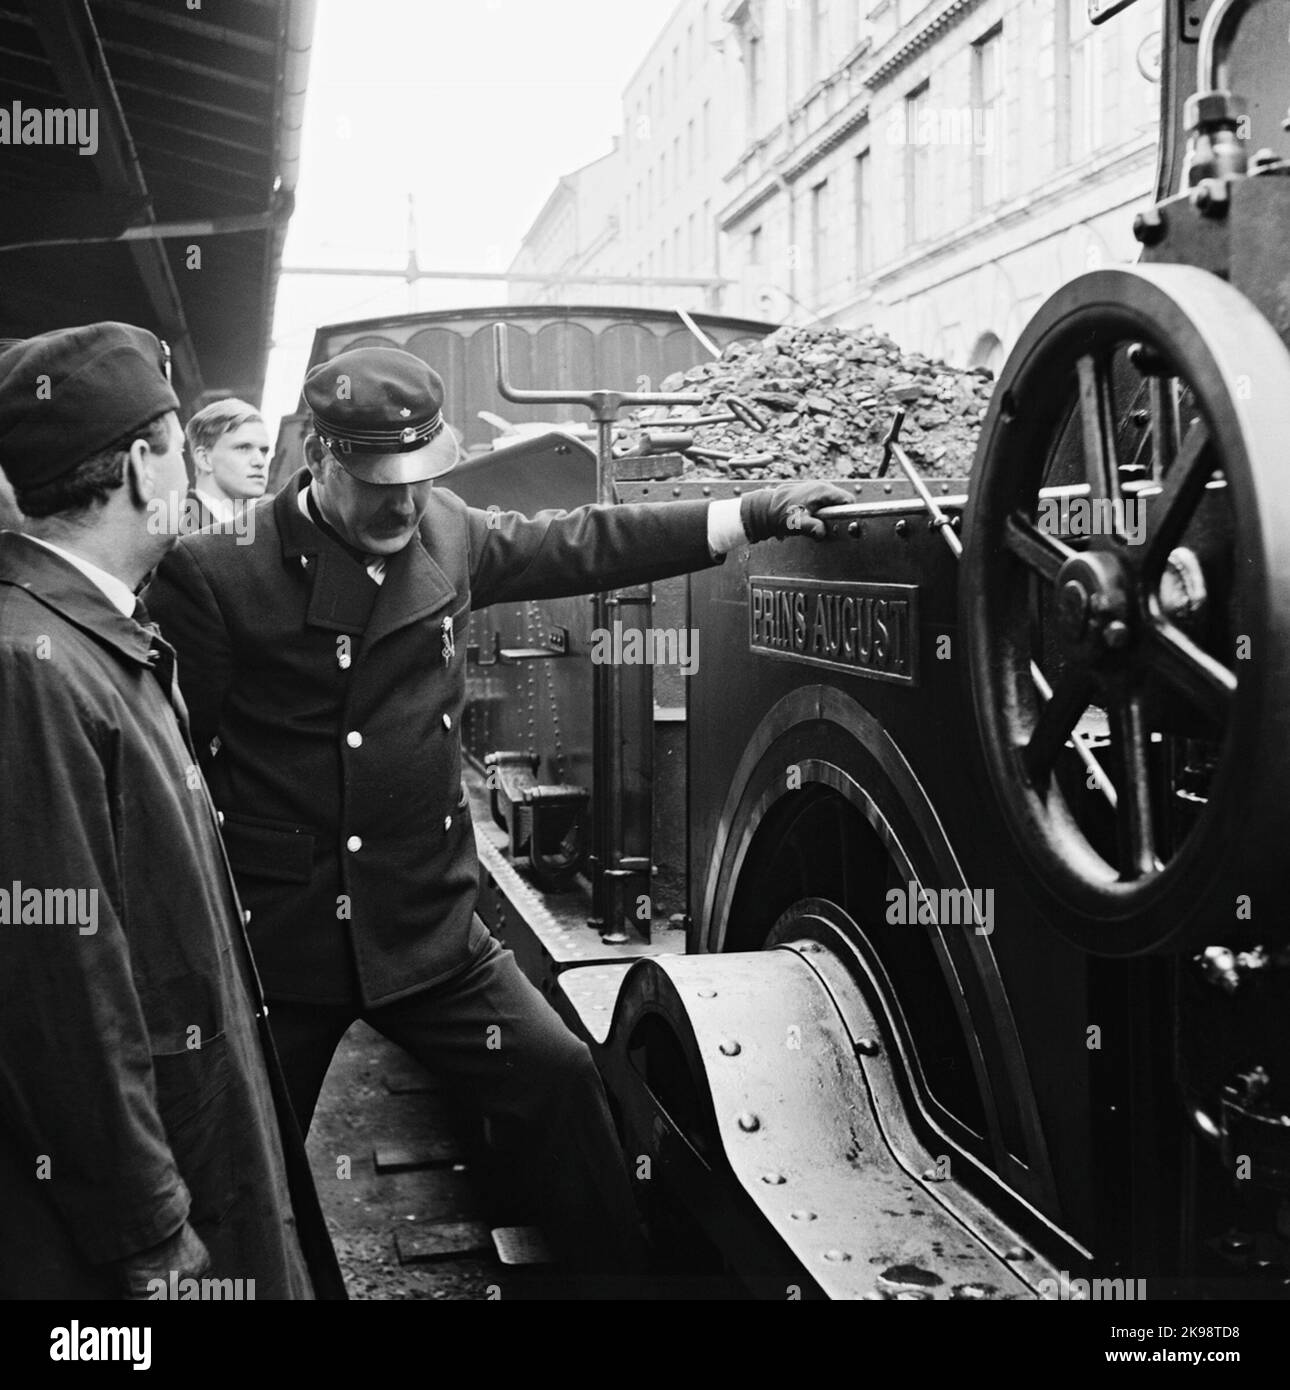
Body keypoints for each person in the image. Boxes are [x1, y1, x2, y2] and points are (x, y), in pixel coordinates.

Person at [145, 344, 850, 1287]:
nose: (404, 503)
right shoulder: (216, 572)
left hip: (427, 925)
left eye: (420, 478)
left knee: (559, 1080)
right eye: (379, 481)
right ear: (316, 457)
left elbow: (586, 542)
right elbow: (186, 761)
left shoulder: (447, 529)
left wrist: (748, 513)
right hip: (286, 935)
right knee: (239, 1157)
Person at [0, 323, 344, 1300]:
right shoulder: (35, 668)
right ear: (146, 470)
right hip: (148, 1212)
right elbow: (54, 988)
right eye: (175, 449)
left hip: (190, 1145)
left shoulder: (87, 638)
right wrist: (146, 1224)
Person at [184, 397, 271, 529]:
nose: (260, 462)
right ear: (204, 459)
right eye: (243, 448)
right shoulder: (172, 533)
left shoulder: (271, 527)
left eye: (263, 451)